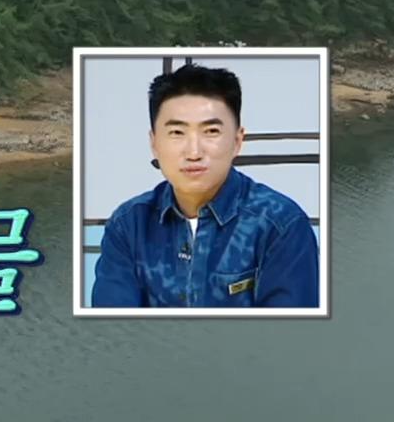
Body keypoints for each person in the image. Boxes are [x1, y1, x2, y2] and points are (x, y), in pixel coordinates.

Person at [90, 63, 319, 308]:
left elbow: (290, 336)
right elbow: (111, 330)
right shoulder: (129, 224)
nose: (194, 152)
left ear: (237, 141)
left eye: (211, 131)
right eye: (177, 132)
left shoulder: (281, 225)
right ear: (154, 143)